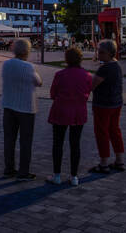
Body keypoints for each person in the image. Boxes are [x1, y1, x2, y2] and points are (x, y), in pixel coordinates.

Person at [46, 47, 92, 186]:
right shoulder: (87, 75)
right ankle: (74, 176)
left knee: (58, 143)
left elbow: (53, 94)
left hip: (60, 111)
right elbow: (87, 92)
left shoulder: (60, 75)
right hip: (78, 112)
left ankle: (57, 175)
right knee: (75, 144)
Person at [1, 38, 42, 181]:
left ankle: (9, 169)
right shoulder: (28, 67)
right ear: (27, 51)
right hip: (26, 108)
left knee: (9, 140)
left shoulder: (6, 64)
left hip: (8, 106)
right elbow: (39, 82)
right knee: (25, 141)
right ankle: (23, 172)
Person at [89, 39, 126, 173]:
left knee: (102, 133)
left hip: (103, 105)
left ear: (110, 53)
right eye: (99, 51)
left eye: (102, 52)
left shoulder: (105, 68)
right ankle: (119, 160)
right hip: (116, 103)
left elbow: (92, 85)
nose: (99, 54)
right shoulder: (117, 65)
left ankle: (104, 163)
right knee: (114, 131)